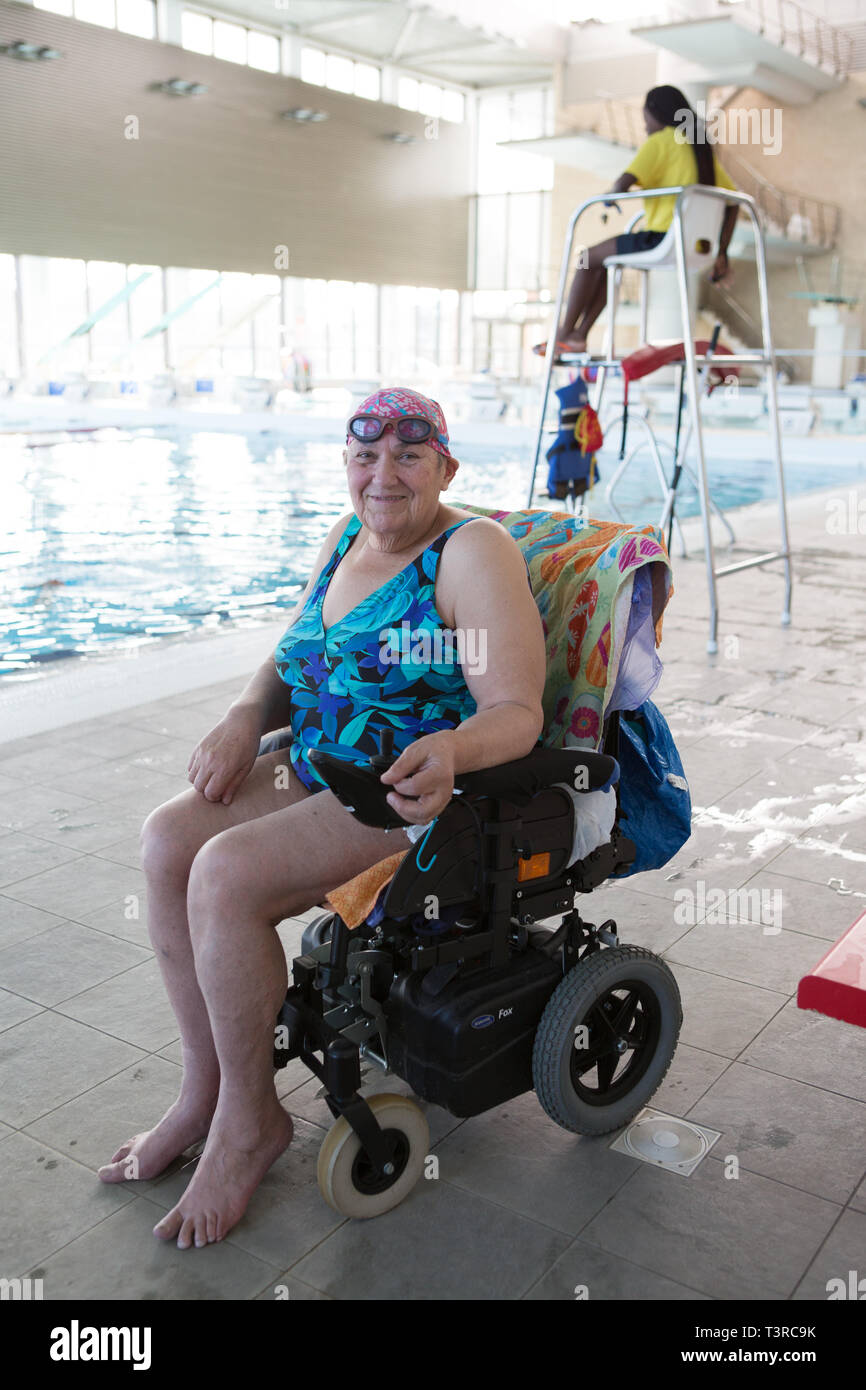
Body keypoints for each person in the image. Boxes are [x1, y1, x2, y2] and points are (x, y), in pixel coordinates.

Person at [98, 387, 545, 1249]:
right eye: (364, 454)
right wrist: (242, 713)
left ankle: (251, 1123)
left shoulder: (469, 551)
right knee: (166, 841)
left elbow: (518, 710)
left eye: (409, 455)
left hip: (402, 795)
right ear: (346, 463)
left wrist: (451, 751)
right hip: (311, 765)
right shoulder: (345, 537)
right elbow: (287, 651)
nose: (383, 473)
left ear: (445, 466)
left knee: (224, 875)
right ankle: (205, 1091)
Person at [534, 85, 739, 358]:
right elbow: (734, 202)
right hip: (695, 249)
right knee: (606, 263)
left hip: (659, 238)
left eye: (646, 122)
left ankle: (564, 334)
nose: (645, 128)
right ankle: (577, 336)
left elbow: (622, 182)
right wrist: (722, 251)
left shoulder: (662, 141)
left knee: (585, 258)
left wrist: (611, 196)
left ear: (657, 114)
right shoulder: (699, 147)